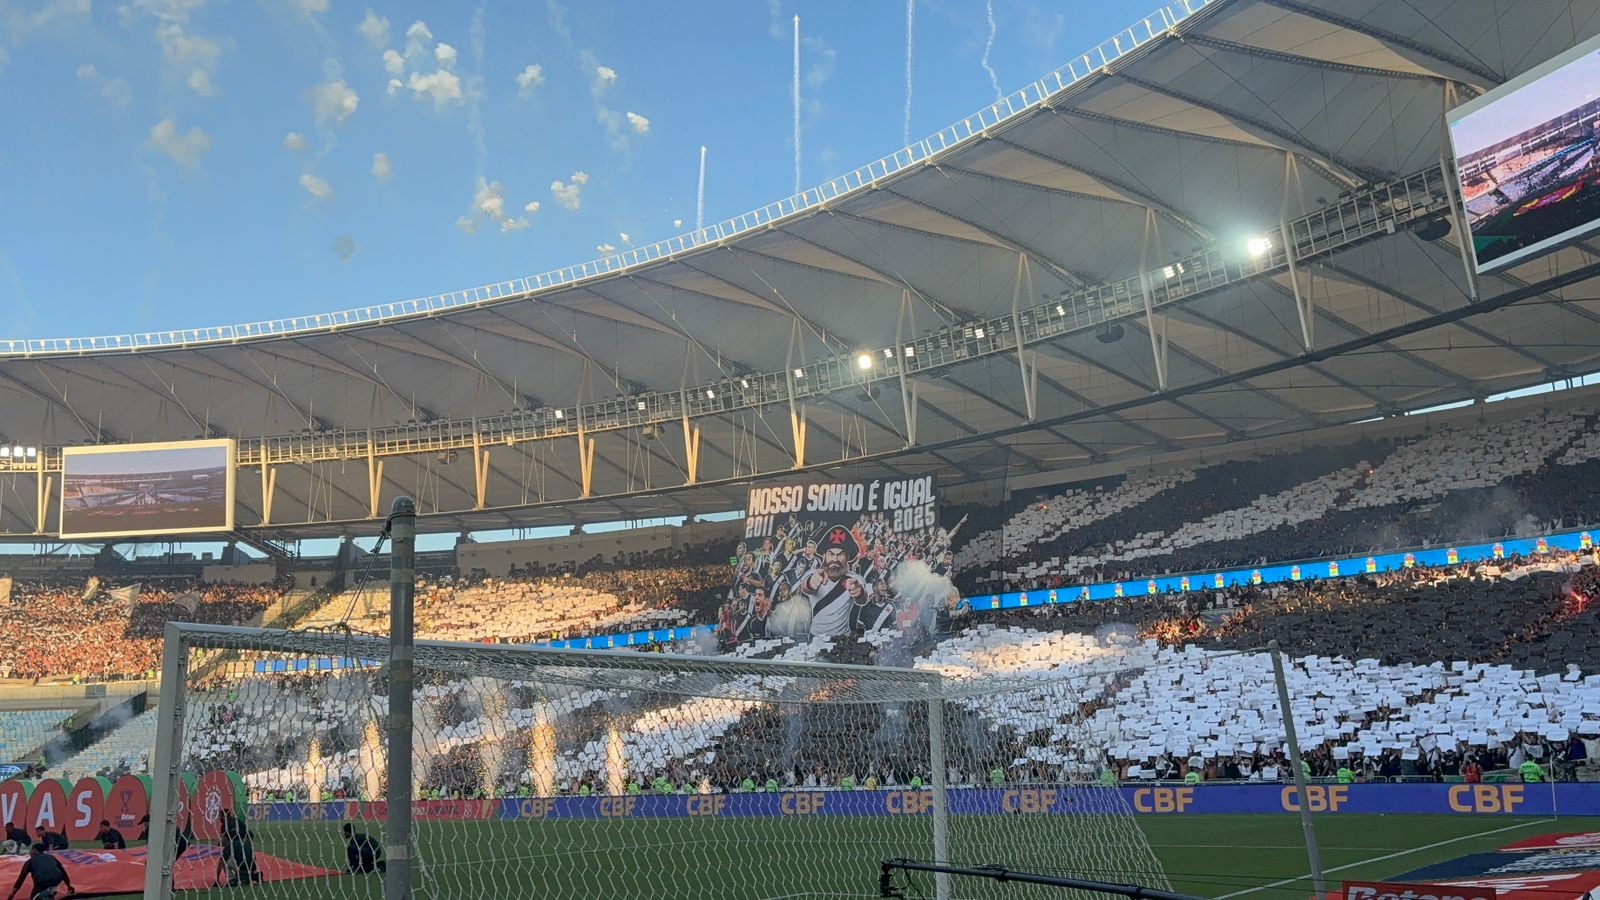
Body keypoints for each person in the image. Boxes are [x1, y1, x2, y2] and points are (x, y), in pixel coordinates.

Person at [5, 843, 74, 900]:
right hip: (57, 879)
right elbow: (63, 870)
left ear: (34, 851)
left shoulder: (30, 862)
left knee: (35, 896)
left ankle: (46, 895)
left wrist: (12, 893)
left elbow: (21, 878)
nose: (30, 852)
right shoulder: (51, 857)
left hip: (43, 882)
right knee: (48, 888)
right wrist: (69, 886)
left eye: (31, 850)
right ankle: (49, 893)